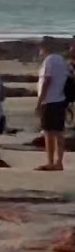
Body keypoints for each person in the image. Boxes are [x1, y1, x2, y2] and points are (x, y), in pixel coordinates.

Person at [36, 40, 70, 171]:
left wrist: (39, 102)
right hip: (60, 99)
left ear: (44, 48)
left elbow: (47, 81)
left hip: (49, 100)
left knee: (48, 133)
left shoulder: (49, 61)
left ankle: (50, 161)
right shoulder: (61, 60)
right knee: (59, 133)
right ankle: (59, 161)